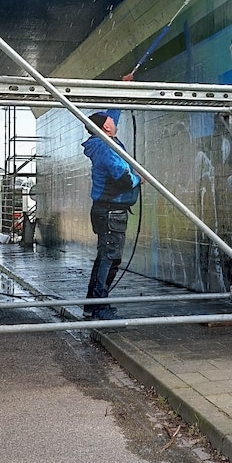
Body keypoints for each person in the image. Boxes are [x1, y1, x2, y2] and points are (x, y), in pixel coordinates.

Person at [82, 109, 141, 321]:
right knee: (110, 259)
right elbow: (123, 178)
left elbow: (111, 115)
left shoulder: (104, 140)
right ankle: (99, 306)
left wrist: (122, 88)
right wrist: (138, 179)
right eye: (110, 121)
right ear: (106, 128)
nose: (113, 121)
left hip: (107, 211)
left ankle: (92, 304)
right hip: (111, 212)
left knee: (104, 257)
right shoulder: (107, 149)